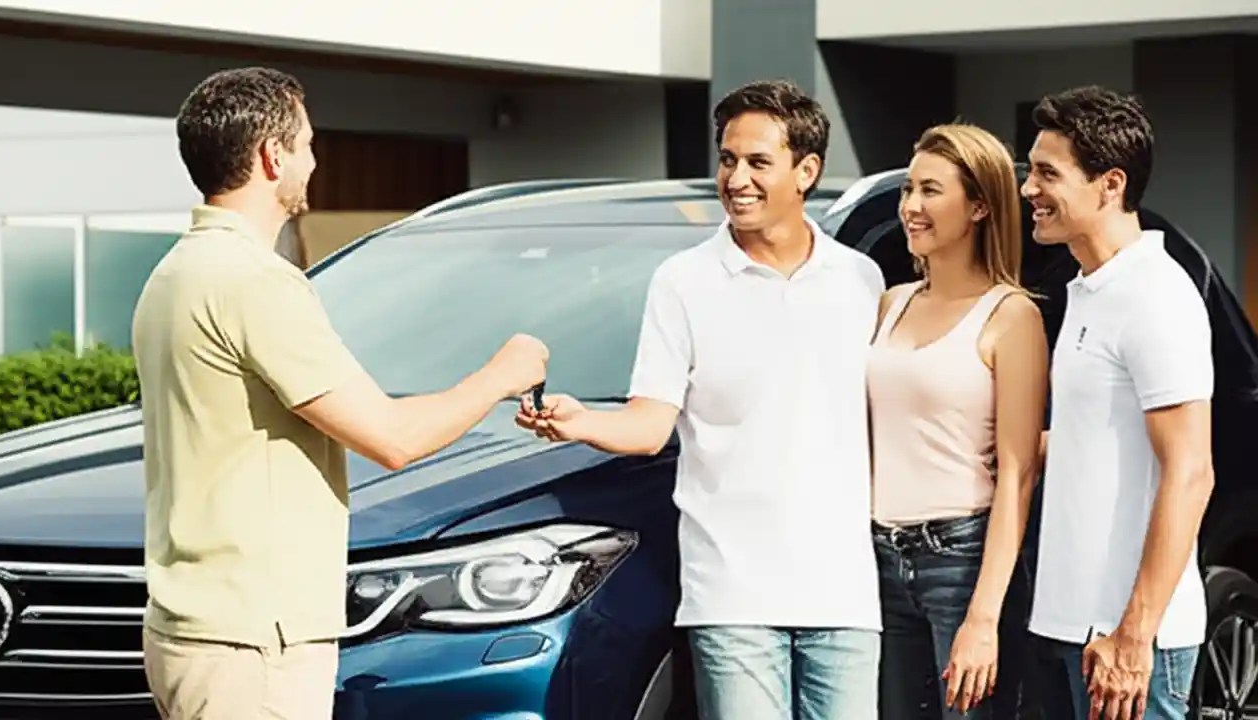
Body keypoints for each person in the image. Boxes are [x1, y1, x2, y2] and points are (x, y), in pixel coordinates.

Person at [131, 66, 548, 720]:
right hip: (255, 639)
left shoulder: (175, 273)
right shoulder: (255, 282)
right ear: (272, 156)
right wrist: (502, 374)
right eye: (305, 143)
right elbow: (393, 438)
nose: (313, 159)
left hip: (199, 625)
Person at [515, 78, 884, 719]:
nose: (736, 178)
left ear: (807, 171)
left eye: (758, 162)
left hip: (846, 591)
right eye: (728, 158)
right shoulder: (683, 283)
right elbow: (650, 425)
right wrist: (581, 422)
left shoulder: (860, 277)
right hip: (732, 596)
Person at [1022, 85, 1215, 720]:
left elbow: (1191, 473)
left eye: (1048, 174)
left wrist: (1134, 636)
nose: (1029, 189)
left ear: (1110, 184)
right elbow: (1102, 442)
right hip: (1074, 628)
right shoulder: (1089, 290)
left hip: (1128, 645)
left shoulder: (1155, 294)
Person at [868, 123, 1049, 719]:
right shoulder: (890, 304)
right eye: (908, 191)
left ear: (977, 206)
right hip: (877, 558)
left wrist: (984, 616)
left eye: (930, 191)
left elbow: (1018, 474)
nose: (911, 208)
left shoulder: (1011, 315)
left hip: (962, 562)